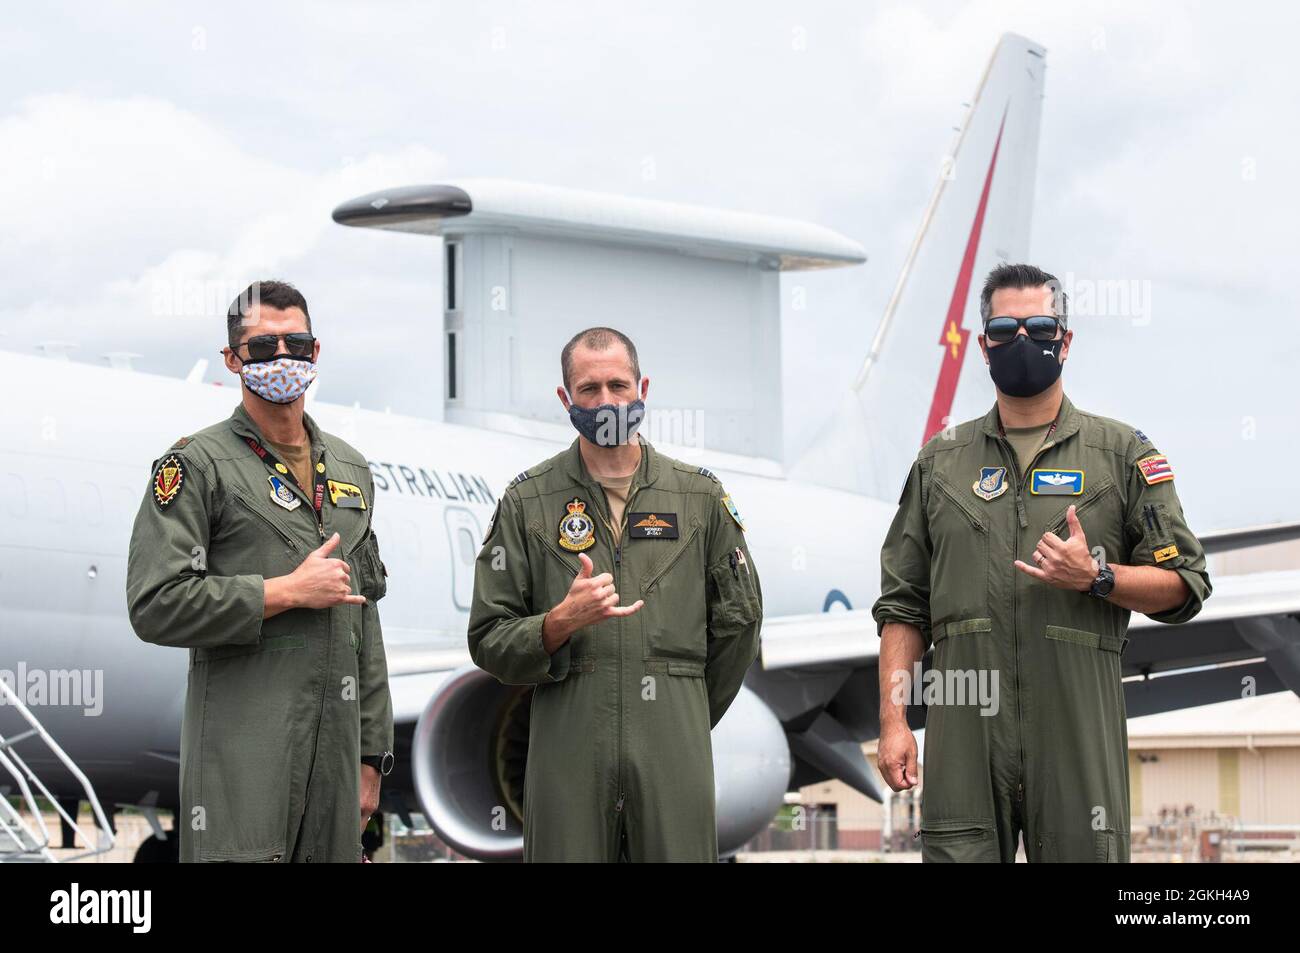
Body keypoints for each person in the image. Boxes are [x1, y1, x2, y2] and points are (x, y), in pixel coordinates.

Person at [873, 263, 1211, 862]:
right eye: (1004, 330)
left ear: (1067, 339)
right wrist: (895, 721)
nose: (1022, 341)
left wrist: (1098, 577)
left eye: (1039, 326)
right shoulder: (939, 464)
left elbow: (1186, 584)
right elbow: (902, 604)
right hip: (964, 727)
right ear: (983, 345)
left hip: (1076, 733)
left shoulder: (1122, 455)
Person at [468, 327, 762, 861]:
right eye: (588, 389)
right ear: (565, 399)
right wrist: (556, 624)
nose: (605, 400)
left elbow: (739, 624)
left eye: (618, 386)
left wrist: (685, 707)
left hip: (673, 745)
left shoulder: (699, 497)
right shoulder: (527, 501)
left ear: (642, 388)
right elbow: (488, 637)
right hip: (568, 743)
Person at [126, 280, 393, 862]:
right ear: (232, 360)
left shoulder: (351, 468)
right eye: (263, 346)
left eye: (295, 344)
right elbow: (155, 604)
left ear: (315, 352)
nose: (282, 358)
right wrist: (284, 592)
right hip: (243, 766)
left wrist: (372, 758)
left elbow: (364, 624)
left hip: (336, 776)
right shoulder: (196, 465)